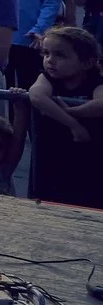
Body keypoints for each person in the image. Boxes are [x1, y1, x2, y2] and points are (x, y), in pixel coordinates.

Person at [26, 25, 103, 207]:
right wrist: (73, 124)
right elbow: (36, 95)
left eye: (60, 55)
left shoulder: (95, 81)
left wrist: (72, 111)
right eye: (46, 54)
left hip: (89, 161)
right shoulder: (48, 78)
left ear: (87, 63)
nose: (50, 60)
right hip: (52, 157)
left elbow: (101, 103)